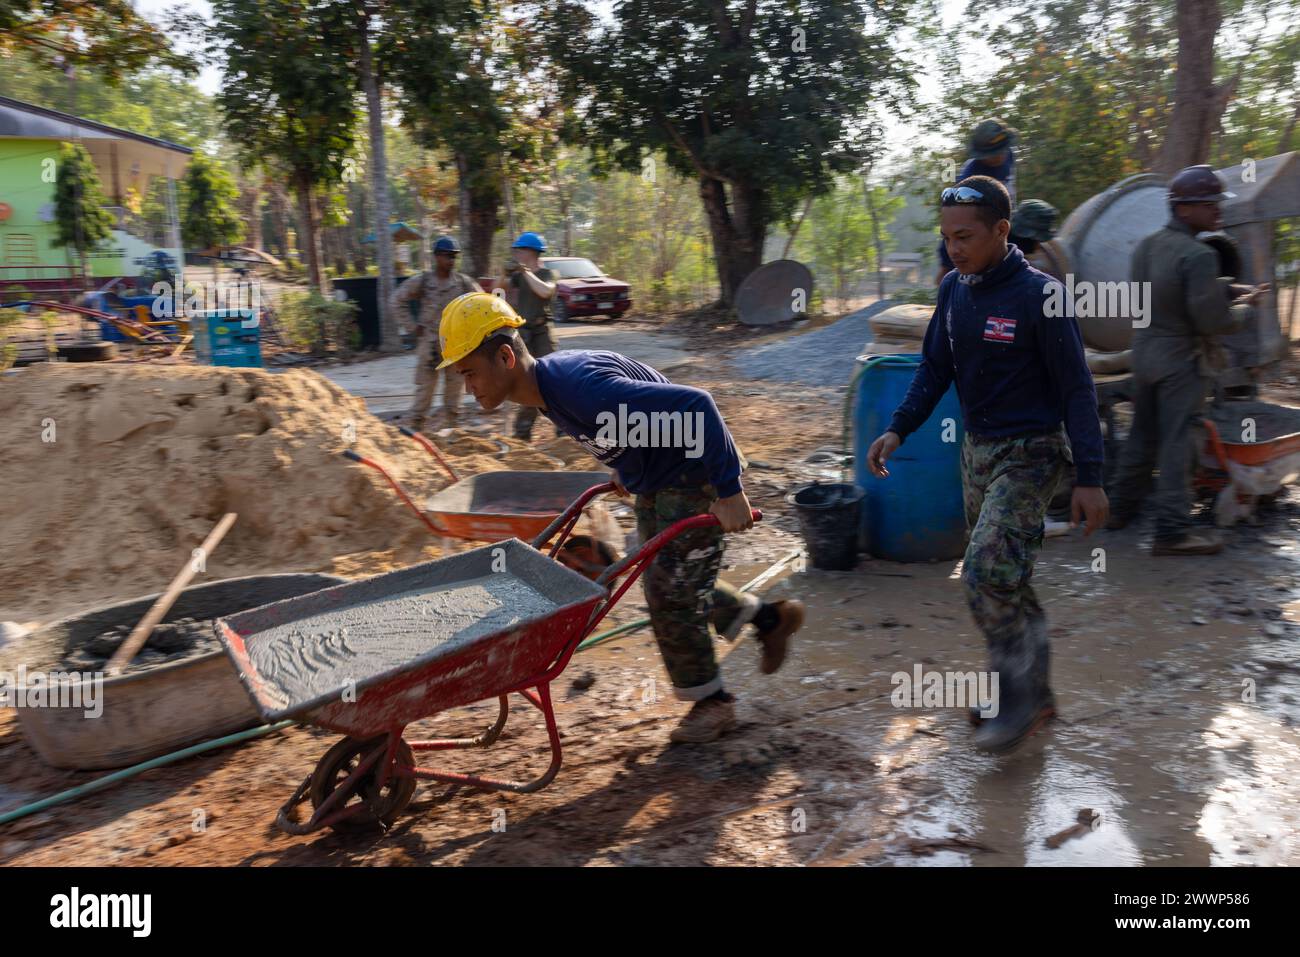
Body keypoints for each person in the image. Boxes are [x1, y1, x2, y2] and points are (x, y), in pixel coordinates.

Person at [436, 291, 805, 743]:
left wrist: (730, 492)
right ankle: (768, 619)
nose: (468, 386)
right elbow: (631, 422)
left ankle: (714, 703)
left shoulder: (577, 388)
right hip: (658, 475)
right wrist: (626, 464)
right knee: (664, 571)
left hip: (695, 472)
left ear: (507, 357)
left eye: (470, 373)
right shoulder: (546, 392)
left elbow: (697, 407)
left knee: (670, 592)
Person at [868, 175, 1108, 753]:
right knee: (1008, 580)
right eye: (947, 237)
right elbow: (933, 369)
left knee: (983, 574)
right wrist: (898, 428)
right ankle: (1032, 693)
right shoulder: (953, 291)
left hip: (1032, 453)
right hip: (976, 452)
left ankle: (1018, 702)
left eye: (966, 236)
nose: (954, 248)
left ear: (1002, 231)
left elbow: (1077, 389)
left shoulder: (1039, 295)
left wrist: (1091, 479)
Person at [1106, 165, 1270, 554]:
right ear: (1183, 209)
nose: (1218, 210)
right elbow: (1211, 320)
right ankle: (1172, 532)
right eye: (1209, 203)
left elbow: (1167, 290)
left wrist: (1228, 288)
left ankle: (1117, 510)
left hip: (1145, 354)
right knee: (1179, 442)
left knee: (1142, 437)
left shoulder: (1147, 246)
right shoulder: (1199, 255)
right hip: (1181, 362)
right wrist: (1246, 308)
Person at [389, 236, 481, 431]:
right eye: (448, 256)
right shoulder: (423, 281)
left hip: (455, 346)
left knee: (454, 395)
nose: (451, 261)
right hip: (429, 346)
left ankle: (453, 433)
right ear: (437, 257)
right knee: (424, 394)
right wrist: (412, 327)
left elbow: (483, 302)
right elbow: (396, 300)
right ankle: (416, 433)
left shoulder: (463, 283)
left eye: (454, 257)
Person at [934, 119, 1019, 287]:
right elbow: (959, 215)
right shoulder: (971, 174)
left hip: (1006, 215)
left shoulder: (1010, 154)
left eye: (1000, 151)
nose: (998, 157)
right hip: (978, 219)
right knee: (954, 242)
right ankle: (944, 291)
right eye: (992, 154)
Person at [501, 231, 559, 441]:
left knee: (552, 381)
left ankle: (563, 430)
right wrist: (505, 275)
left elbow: (545, 292)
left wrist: (525, 272)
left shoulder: (548, 274)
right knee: (527, 383)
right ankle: (522, 434)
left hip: (543, 333)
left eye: (520, 250)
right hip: (524, 335)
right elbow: (498, 292)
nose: (517, 254)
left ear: (531, 252)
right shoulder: (518, 276)